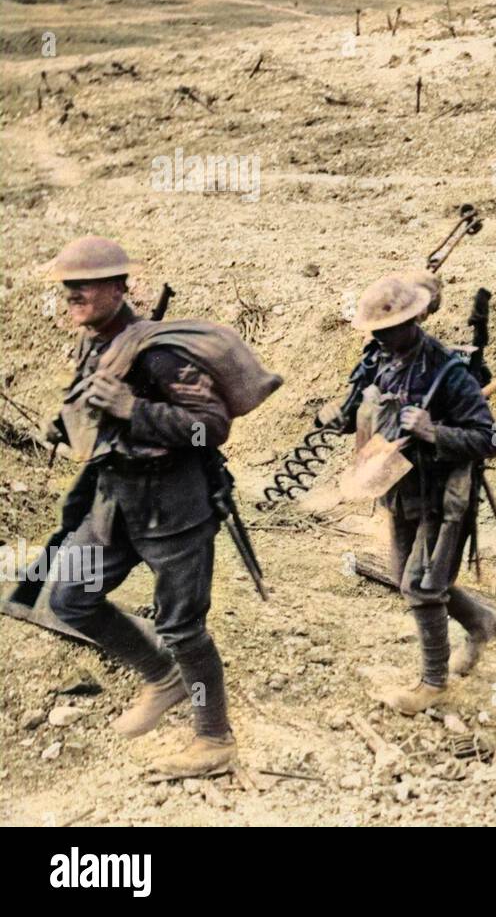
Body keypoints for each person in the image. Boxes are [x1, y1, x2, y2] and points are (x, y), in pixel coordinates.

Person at [42, 235, 280, 778]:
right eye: (67, 286)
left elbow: (209, 429)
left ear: (120, 287)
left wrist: (134, 409)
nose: (73, 294)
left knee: (182, 628)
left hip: (174, 507)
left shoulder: (161, 353)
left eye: (85, 284)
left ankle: (214, 737)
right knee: (70, 598)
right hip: (115, 502)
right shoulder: (94, 342)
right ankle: (161, 677)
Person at [350, 276, 496, 714]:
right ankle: (482, 623)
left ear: (413, 321)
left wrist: (432, 431)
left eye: (387, 329)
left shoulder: (448, 371)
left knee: (422, 586)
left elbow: (489, 437)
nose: (378, 337)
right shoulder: (386, 362)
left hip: (442, 494)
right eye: (375, 331)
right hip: (401, 488)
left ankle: (433, 683)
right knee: (407, 577)